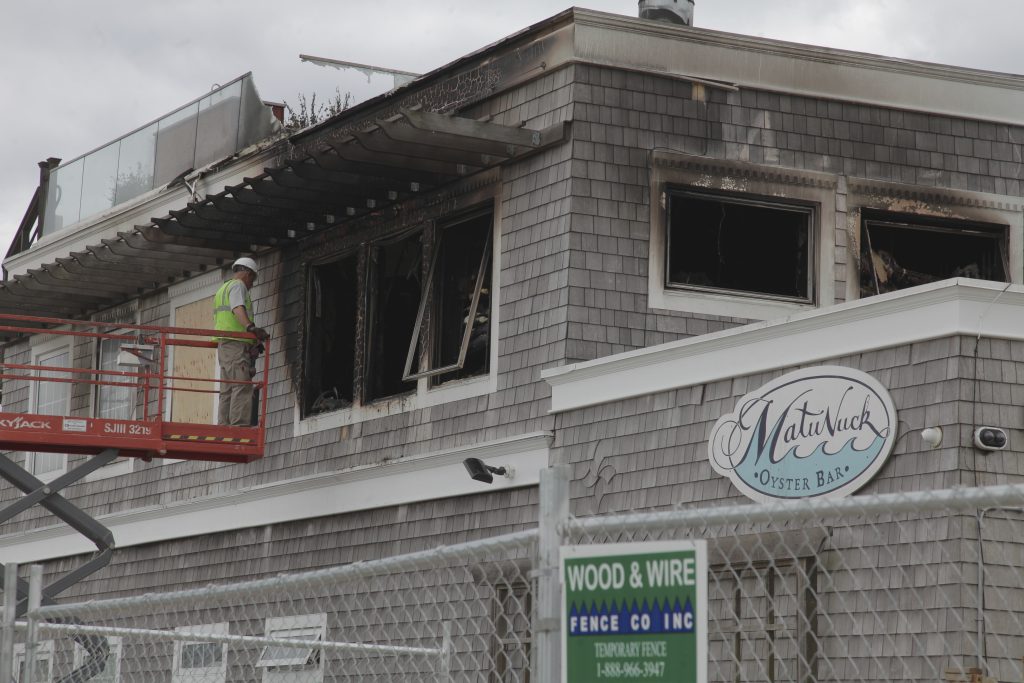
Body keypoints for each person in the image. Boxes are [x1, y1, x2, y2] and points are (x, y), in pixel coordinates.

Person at [213, 257, 269, 426]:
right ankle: (239, 426)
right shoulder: (238, 286)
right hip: (235, 343)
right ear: (247, 274)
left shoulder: (224, 288)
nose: (252, 284)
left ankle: (224, 426)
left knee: (228, 388)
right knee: (241, 384)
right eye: (253, 279)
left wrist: (252, 342)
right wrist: (251, 328)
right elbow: (237, 308)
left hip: (226, 344)